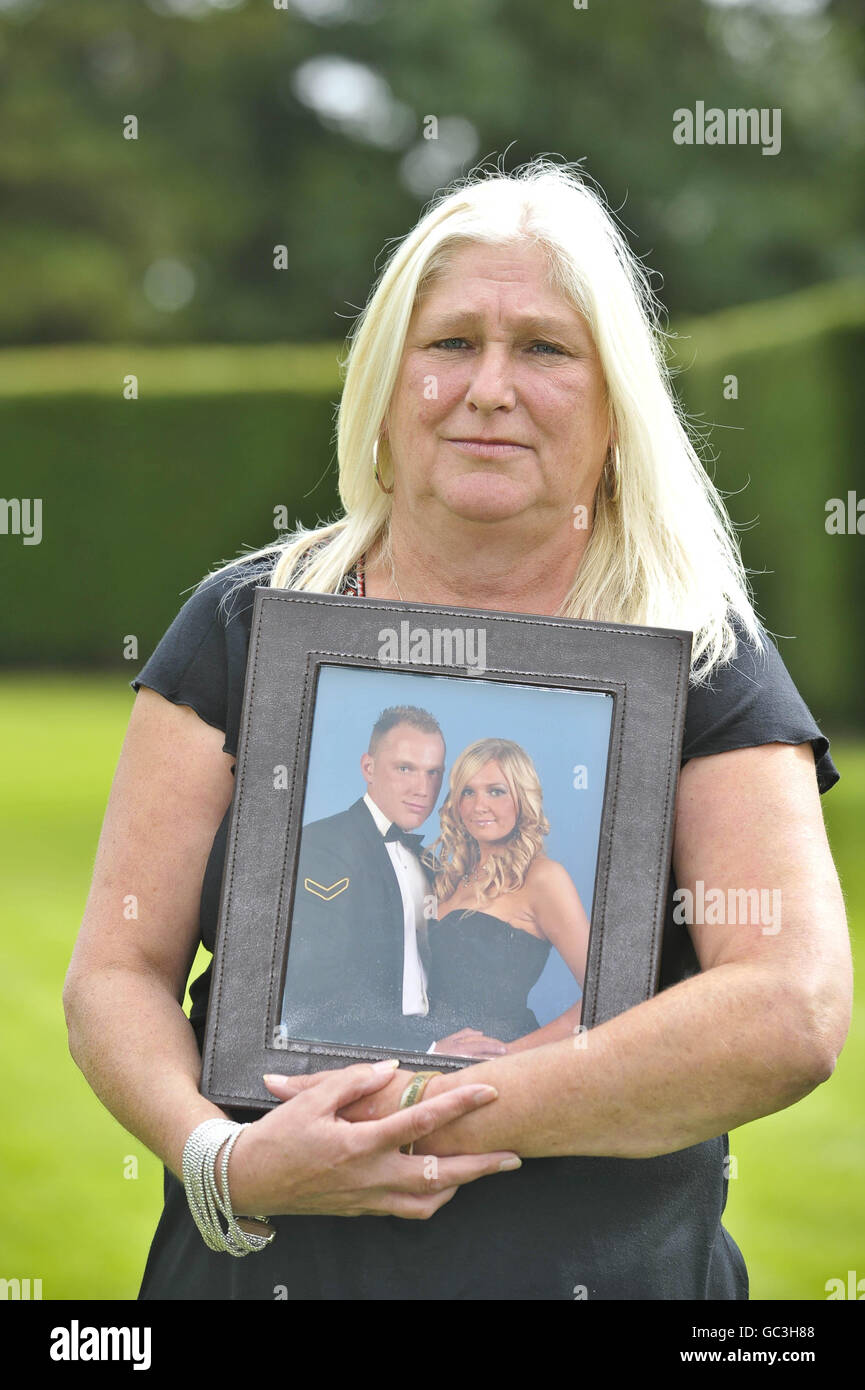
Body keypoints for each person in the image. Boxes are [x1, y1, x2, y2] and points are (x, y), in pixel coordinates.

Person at [63, 159, 851, 1300]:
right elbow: (115, 971)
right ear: (385, 384)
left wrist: (423, 1115)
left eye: (542, 349)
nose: (489, 387)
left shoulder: (704, 654)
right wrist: (221, 1158)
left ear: (614, 402)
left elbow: (792, 1008)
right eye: (448, 345)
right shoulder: (239, 623)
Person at [280, 705, 445, 1053]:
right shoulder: (321, 845)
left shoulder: (429, 862)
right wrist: (428, 1047)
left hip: (433, 1047)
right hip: (360, 1056)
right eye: (405, 768)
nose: (422, 788)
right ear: (368, 768)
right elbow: (319, 987)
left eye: (434, 773)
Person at [424, 738, 591, 1060]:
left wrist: (505, 1054)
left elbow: (608, 991)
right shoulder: (447, 878)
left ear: (522, 798)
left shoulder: (543, 878)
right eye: (467, 792)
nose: (478, 806)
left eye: (496, 791)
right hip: (429, 1059)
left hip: (503, 1071)